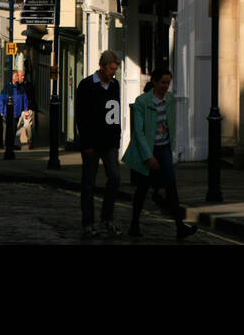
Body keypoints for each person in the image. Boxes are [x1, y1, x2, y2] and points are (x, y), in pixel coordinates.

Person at [122, 66, 196, 240]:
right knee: (142, 189)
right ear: (154, 82)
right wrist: (148, 156)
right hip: (148, 149)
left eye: (168, 83)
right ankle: (134, 224)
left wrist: (172, 146)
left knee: (171, 187)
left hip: (163, 148)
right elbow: (138, 132)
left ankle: (179, 227)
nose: (165, 86)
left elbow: (169, 123)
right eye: (163, 82)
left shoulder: (169, 99)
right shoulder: (142, 102)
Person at [75, 50, 122, 239]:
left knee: (115, 178)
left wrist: (117, 138)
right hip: (91, 143)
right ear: (102, 67)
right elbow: (81, 116)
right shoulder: (86, 85)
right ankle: (88, 223)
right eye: (111, 69)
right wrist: (85, 143)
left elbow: (115, 111)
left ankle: (107, 218)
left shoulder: (114, 85)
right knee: (88, 184)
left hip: (109, 142)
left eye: (115, 69)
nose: (114, 72)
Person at [0, 72, 30, 149]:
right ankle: (8, 145)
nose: (18, 77)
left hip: (17, 113)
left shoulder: (20, 88)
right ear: (12, 77)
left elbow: (24, 98)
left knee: (14, 129)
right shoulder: (7, 88)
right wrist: (1, 110)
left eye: (18, 76)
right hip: (8, 113)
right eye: (16, 76)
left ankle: (11, 144)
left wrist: (26, 109)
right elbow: (1, 99)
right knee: (9, 129)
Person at [15, 69, 34, 150]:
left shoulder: (27, 85)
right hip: (18, 110)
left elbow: (30, 97)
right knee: (17, 127)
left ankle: (30, 141)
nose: (22, 77)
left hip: (27, 109)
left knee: (27, 126)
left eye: (23, 75)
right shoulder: (15, 86)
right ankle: (16, 144)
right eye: (21, 75)